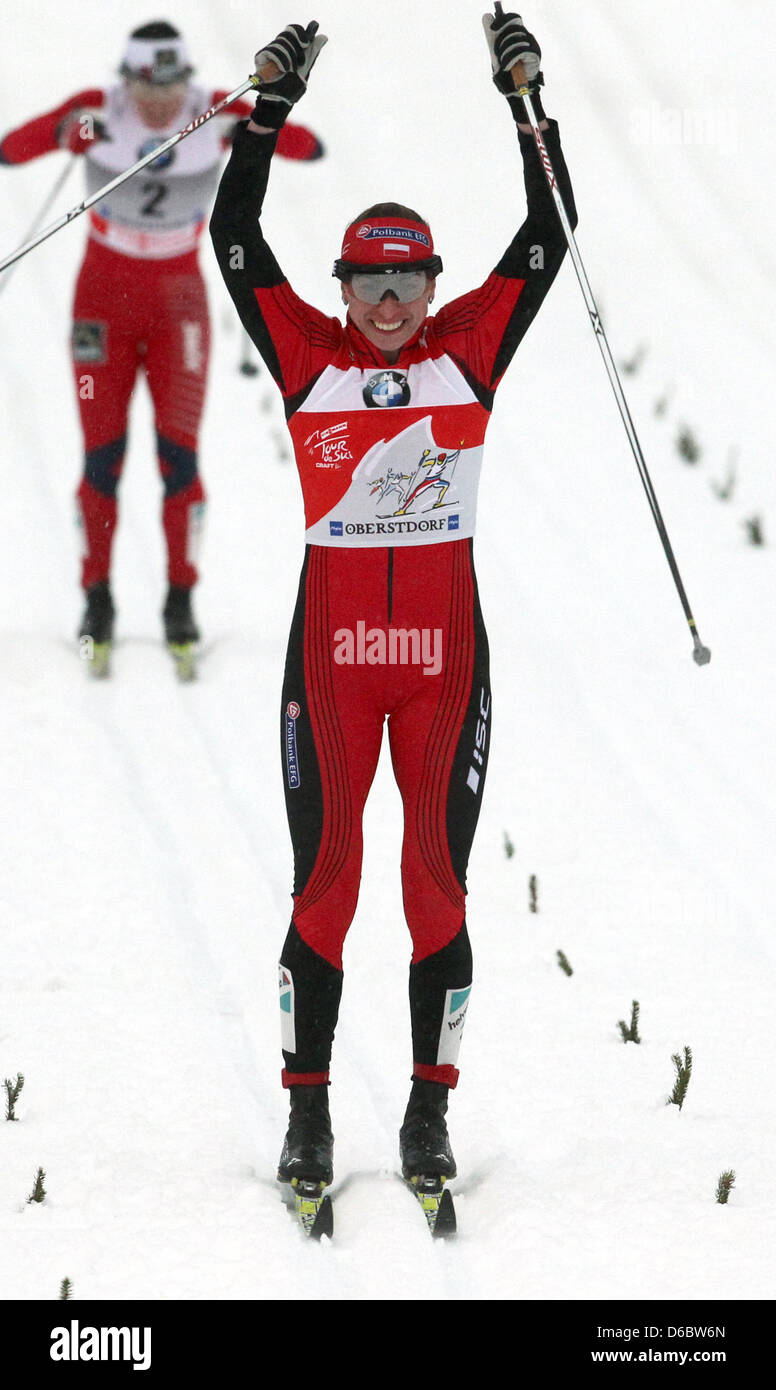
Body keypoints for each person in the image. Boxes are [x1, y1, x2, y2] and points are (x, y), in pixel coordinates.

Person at [209, 11, 577, 1191]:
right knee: (327, 882)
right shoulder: (306, 356)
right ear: (345, 284)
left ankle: (429, 1113)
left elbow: (550, 231)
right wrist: (268, 106)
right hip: (332, 662)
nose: (384, 300)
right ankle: (305, 1117)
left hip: (439, 666)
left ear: (430, 280)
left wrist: (523, 97)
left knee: (433, 885)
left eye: (403, 278)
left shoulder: (467, 351)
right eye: (365, 279)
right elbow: (231, 234)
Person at [0, 20, 324, 655]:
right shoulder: (100, 110)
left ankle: (180, 599)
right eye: (148, 87)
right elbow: (10, 149)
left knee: (178, 457)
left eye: (171, 86)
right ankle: (98, 599)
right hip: (101, 305)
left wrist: (260, 118)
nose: (159, 102)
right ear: (127, 81)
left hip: (178, 306)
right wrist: (68, 133)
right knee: (103, 457)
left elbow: (310, 149)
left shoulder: (215, 110)